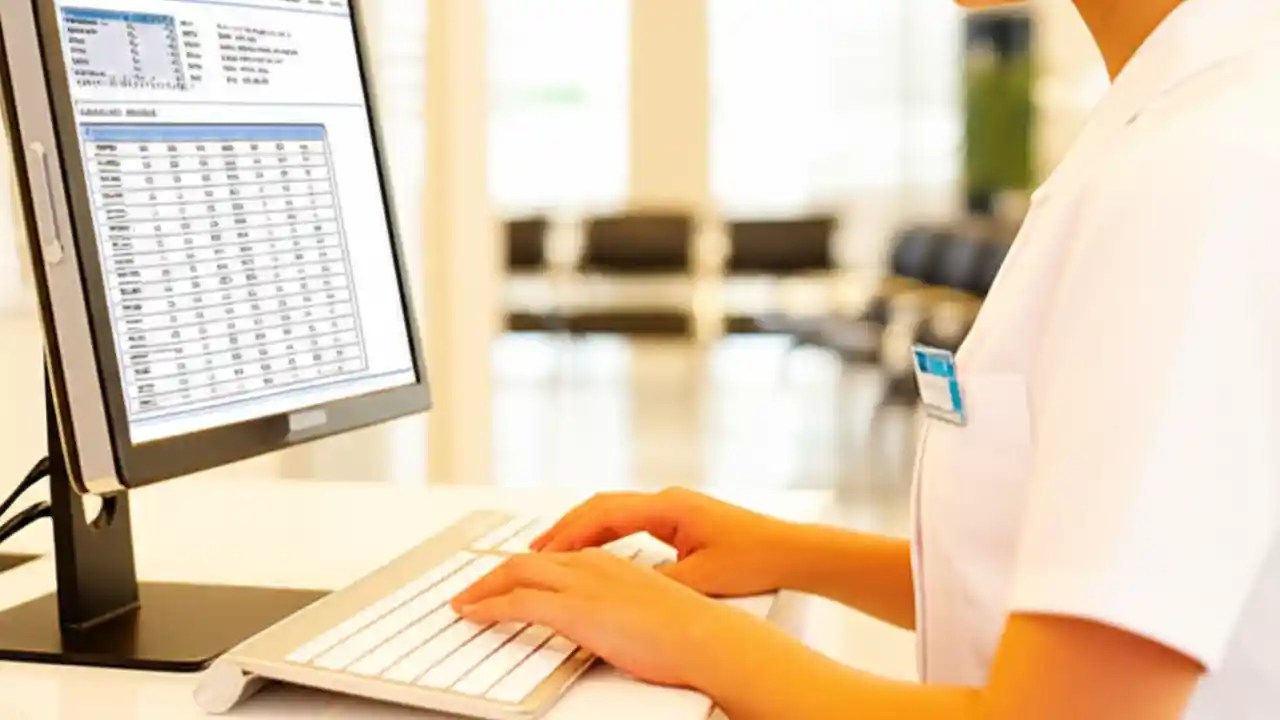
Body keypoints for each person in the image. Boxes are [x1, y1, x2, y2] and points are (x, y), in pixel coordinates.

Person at [454, 0, 1280, 717]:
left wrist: (688, 636)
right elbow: (1091, 585)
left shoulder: (1202, 169)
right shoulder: (1171, 126)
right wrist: (792, 552)